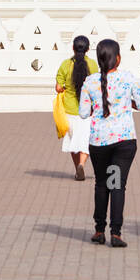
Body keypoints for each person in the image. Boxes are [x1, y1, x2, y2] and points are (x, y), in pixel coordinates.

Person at [79, 39, 140, 247]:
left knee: (102, 184)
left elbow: (83, 113)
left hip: (100, 142)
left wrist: (96, 106)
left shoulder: (90, 82)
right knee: (116, 184)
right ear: (118, 58)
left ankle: (99, 230)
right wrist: (129, 103)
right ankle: (116, 233)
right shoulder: (128, 78)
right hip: (123, 141)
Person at [55, 35, 98, 180]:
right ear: (88, 49)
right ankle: (82, 164)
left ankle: (77, 169)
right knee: (85, 140)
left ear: (73, 48)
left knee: (73, 141)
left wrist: (66, 87)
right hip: (87, 110)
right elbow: (96, 85)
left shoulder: (65, 64)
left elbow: (58, 87)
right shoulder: (92, 64)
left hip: (69, 109)